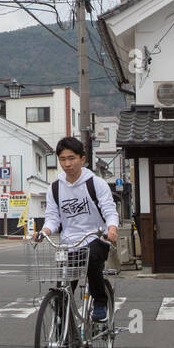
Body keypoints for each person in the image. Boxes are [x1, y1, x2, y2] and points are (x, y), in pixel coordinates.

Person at [37, 136, 119, 322]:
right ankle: (64, 345)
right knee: (62, 293)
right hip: (69, 243)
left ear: (82, 159)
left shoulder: (96, 183)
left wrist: (112, 228)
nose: (67, 164)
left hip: (96, 238)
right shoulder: (55, 188)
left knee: (90, 257)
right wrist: (45, 232)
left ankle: (100, 301)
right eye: (63, 159)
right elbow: (52, 218)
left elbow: (109, 210)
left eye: (71, 158)